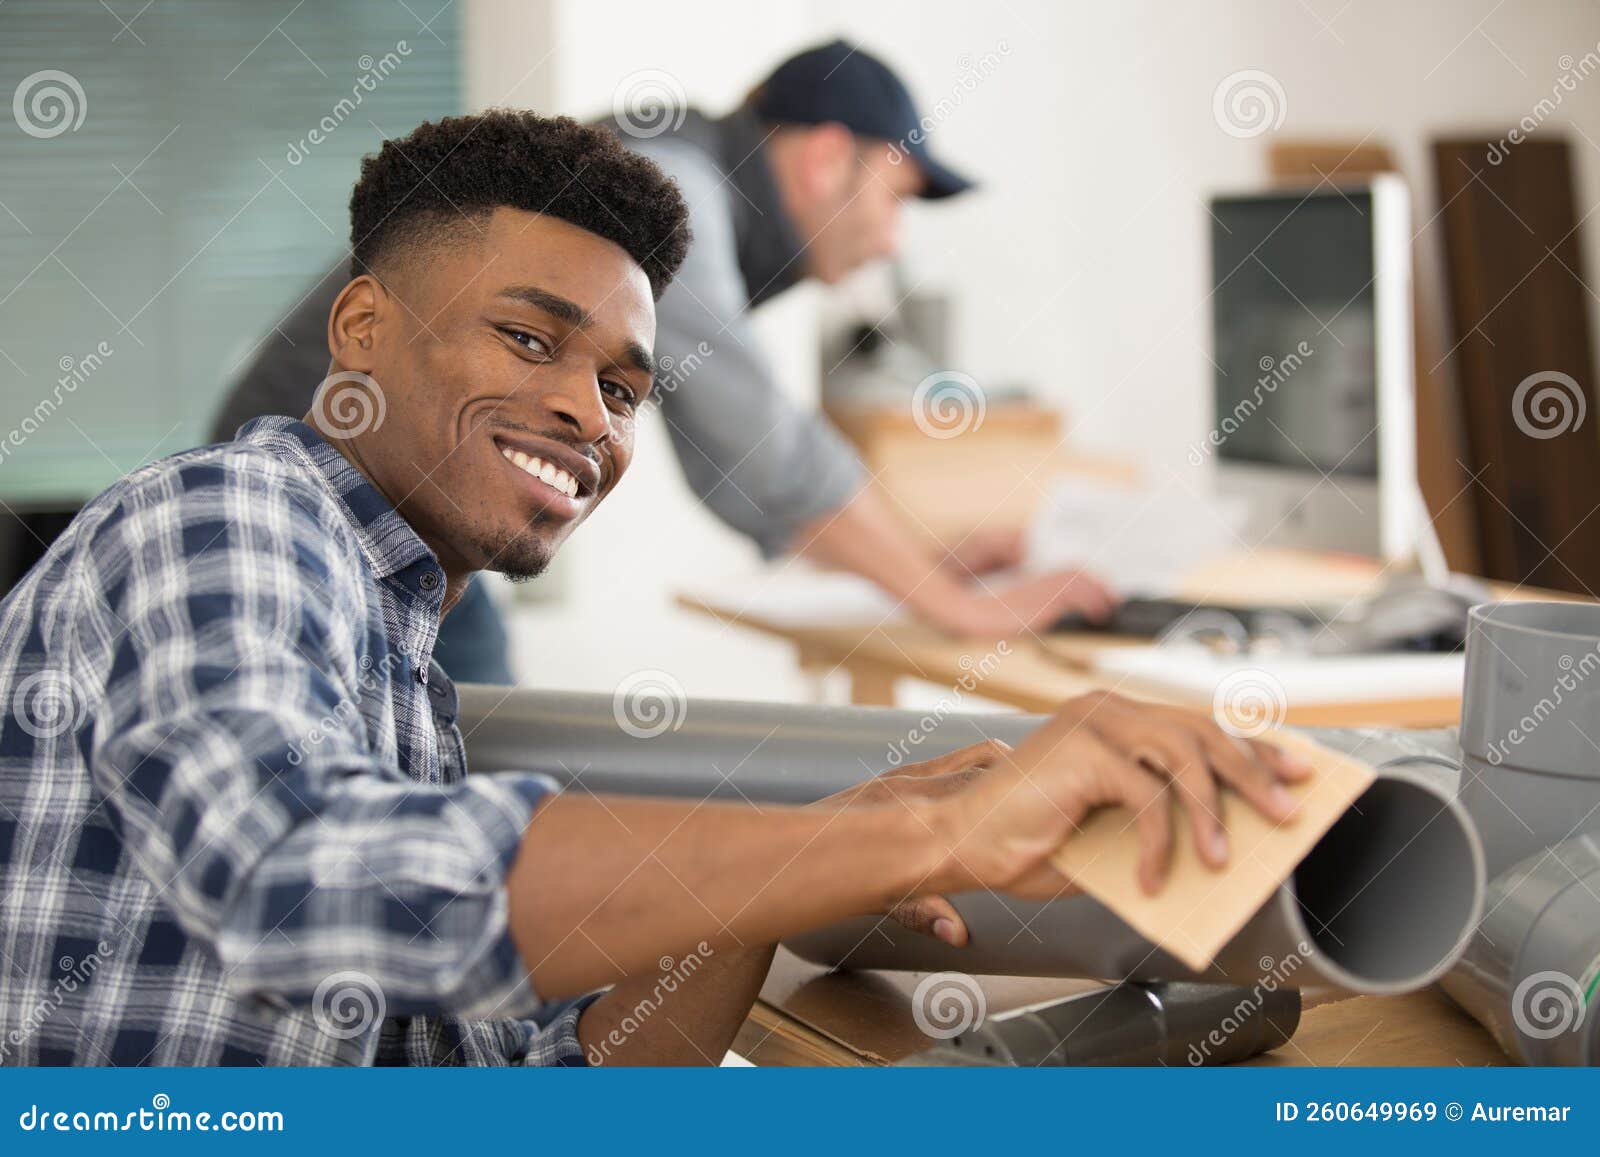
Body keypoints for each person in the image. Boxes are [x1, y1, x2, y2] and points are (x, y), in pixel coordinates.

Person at [0, 111, 1305, 1067]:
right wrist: (922, 837)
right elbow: (298, 878)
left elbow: (546, 1082)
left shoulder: (400, 653)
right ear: (361, 330)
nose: (588, 411)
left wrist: (787, 877)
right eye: (529, 337)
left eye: (624, 387)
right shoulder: (225, 519)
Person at [210, 40, 1117, 685]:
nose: (892, 238)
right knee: (479, 778)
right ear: (826, 158)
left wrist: (929, 561)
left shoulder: (683, 181)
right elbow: (762, 448)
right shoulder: (676, 179)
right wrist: (960, 607)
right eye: (896, 195)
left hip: (386, 515)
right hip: (321, 506)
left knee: (484, 754)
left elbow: (754, 459)